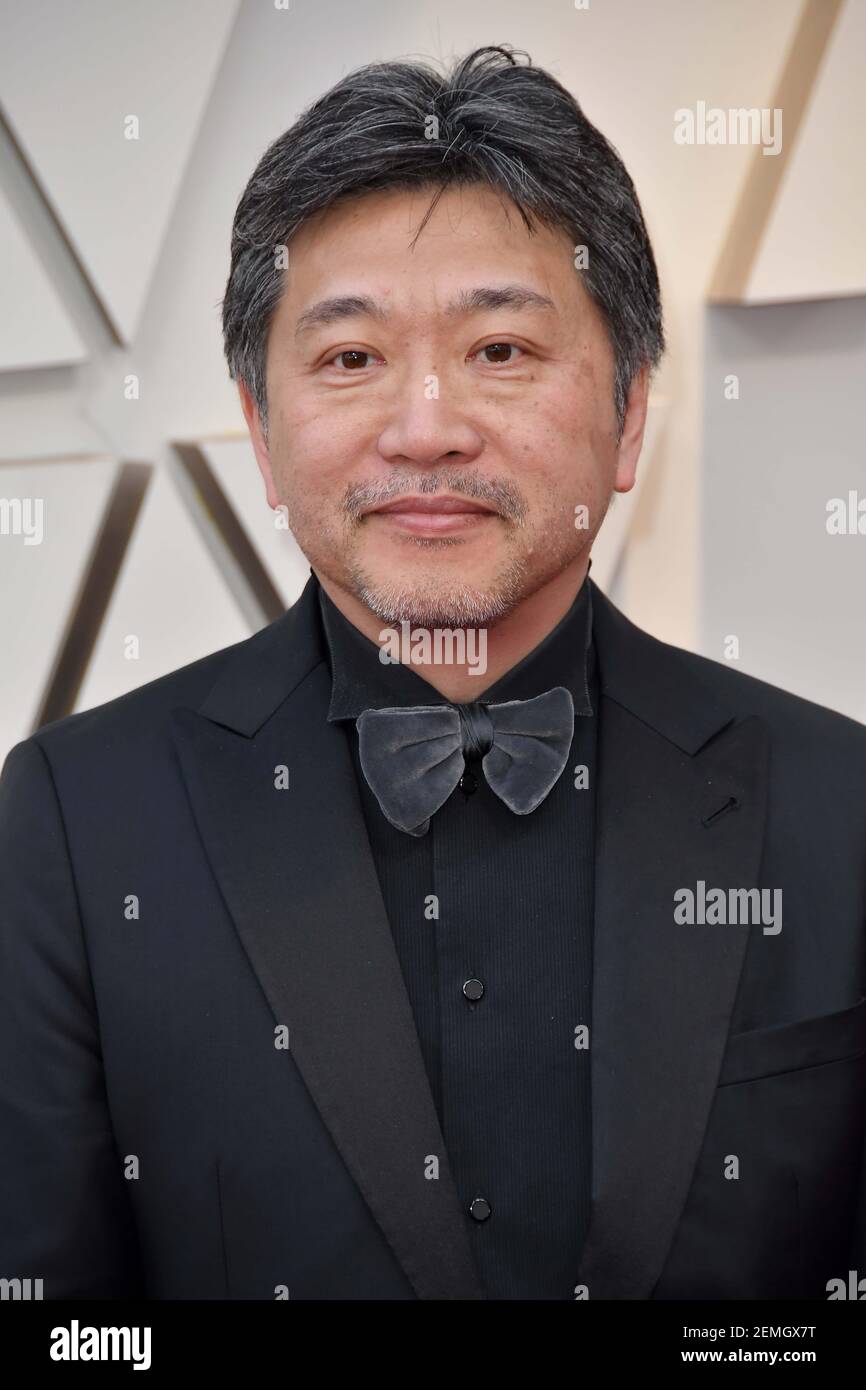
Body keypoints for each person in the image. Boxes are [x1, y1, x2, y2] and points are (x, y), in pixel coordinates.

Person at [1, 45, 865, 1302]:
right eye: (348, 359)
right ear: (256, 426)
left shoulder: (838, 809)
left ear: (628, 415)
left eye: (501, 351)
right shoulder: (78, 826)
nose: (425, 426)